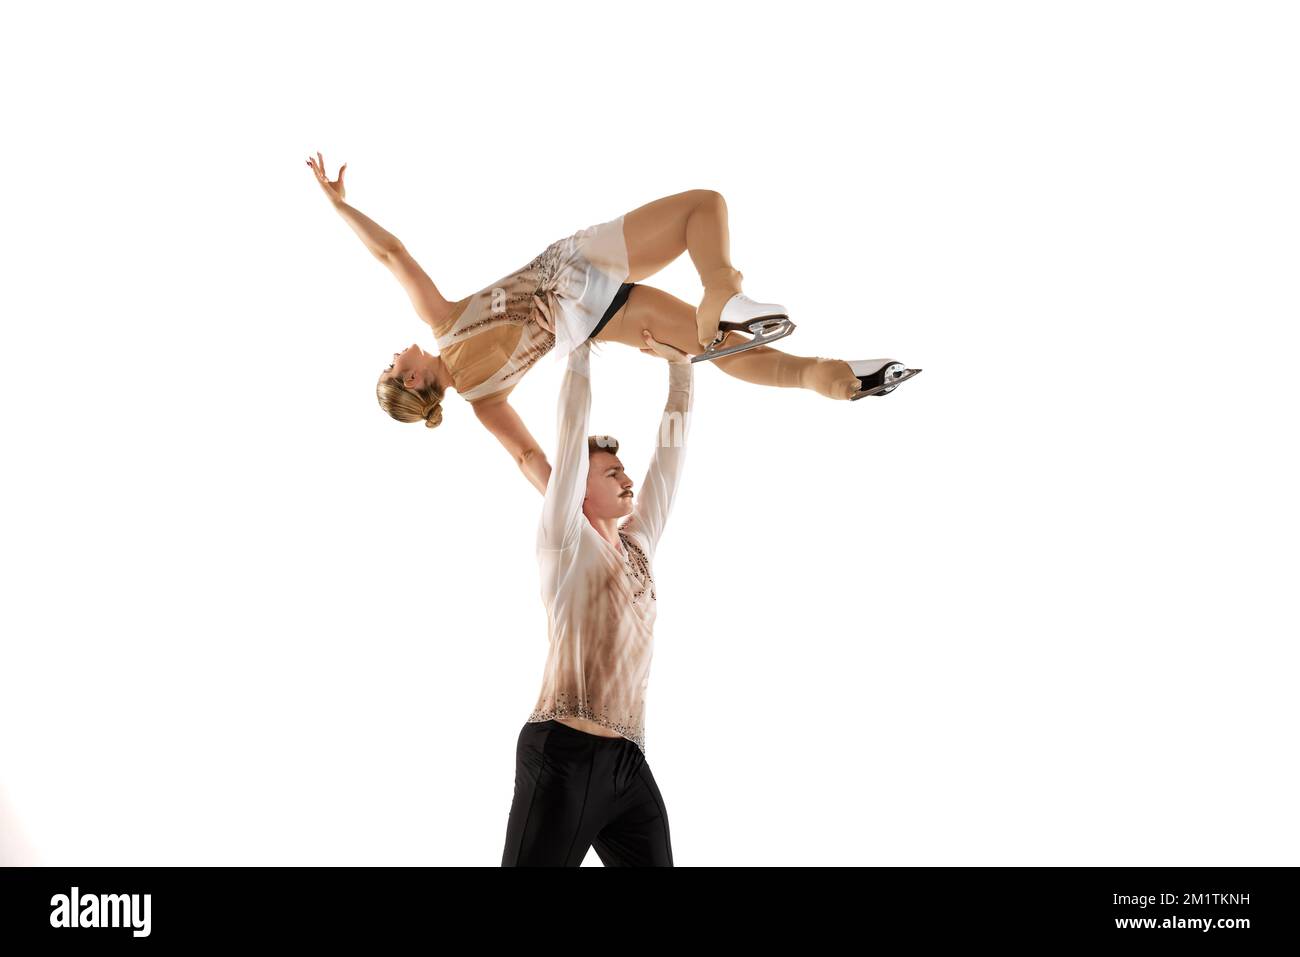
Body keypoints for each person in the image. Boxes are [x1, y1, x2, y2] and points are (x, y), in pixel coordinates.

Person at [304, 153, 920, 494]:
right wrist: (338, 205)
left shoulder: (484, 401)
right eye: (393, 368)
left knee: (729, 355)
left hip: (597, 321)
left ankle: (832, 377)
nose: (394, 355)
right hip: (573, 268)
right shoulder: (441, 323)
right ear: (415, 382)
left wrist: (574, 510)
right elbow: (392, 255)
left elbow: (527, 459)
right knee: (705, 207)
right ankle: (723, 295)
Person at [500, 334, 690, 866]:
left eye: (624, 470)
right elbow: (566, 437)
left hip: (627, 764)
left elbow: (670, 458)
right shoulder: (564, 540)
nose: (629, 479)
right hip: (562, 755)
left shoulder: (638, 545)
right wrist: (579, 352)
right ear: (579, 488)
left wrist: (680, 371)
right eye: (613, 473)